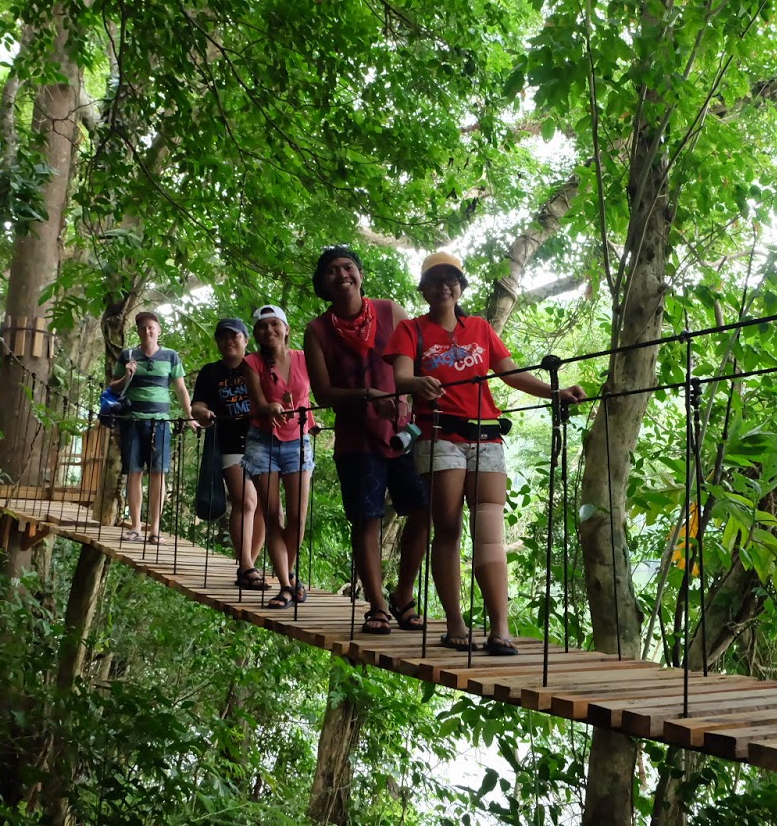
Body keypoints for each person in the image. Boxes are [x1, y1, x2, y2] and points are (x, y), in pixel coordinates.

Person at [386, 252, 584, 655]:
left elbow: (509, 372)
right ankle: (456, 622)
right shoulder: (411, 330)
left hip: (487, 435)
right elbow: (401, 377)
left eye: (452, 279)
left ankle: (500, 628)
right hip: (438, 434)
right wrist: (418, 384)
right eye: (437, 280)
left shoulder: (478, 328)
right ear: (423, 289)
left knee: (490, 535)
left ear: (460, 287)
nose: (445, 286)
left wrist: (554, 393)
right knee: (449, 527)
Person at [304, 247, 432, 635]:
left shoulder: (392, 312)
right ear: (323, 286)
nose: (341, 275)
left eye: (348, 268)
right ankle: (376, 605)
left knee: (424, 509)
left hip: (403, 432)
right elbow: (323, 394)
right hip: (356, 439)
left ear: (360, 275)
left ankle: (403, 595)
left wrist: (407, 398)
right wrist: (366, 395)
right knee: (366, 519)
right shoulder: (317, 331)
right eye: (331, 272)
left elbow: (421, 361)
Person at [244, 304, 317, 610]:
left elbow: (307, 396)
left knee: (298, 519)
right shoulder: (252, 362)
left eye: (275, 324)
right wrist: (270, 407)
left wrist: (312, 419)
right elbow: (258, 401)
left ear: (287, 329)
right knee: (274, 516)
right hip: (263, 442)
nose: (269, 330)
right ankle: (286, 586)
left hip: (298, 441)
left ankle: (288, 573)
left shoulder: (304, 358)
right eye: (262, 326)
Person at [189, 317, 266, 589]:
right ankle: (245, 565)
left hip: (264, 440)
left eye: (234, 336)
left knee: (264, 507)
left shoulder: (259, 366)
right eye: (222, 337)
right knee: (245, 501)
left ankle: (248, 566)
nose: (228, 341)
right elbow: (197, 406)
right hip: (230, 441)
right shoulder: (211, 372)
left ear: (246, 340)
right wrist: (202, 413)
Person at [109, 310, 197, 543]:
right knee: (134, 472)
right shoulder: (127, 355)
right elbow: (113, 387)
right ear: (137, 331)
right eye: (142, 327)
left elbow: (180, 389)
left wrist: (190, 415)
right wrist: (126, 377)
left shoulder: (170, 357)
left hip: (160, 423)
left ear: (159, 330)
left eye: (151, 327)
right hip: (132, 421)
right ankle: (136, 526)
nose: (147, 331)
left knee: (158, 473)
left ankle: (155, 529)